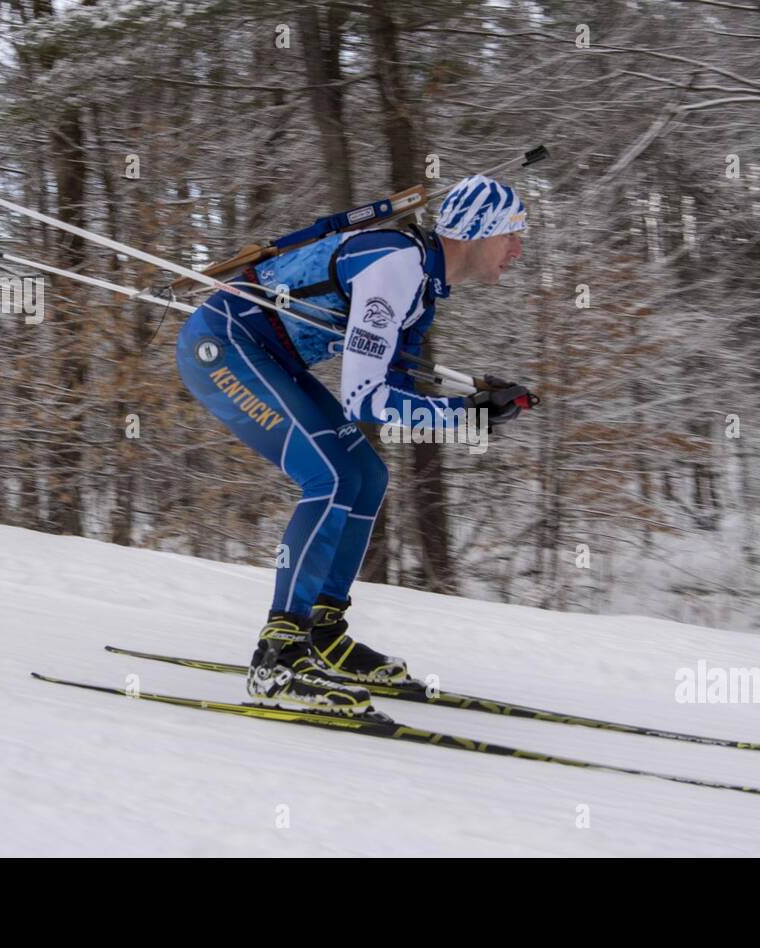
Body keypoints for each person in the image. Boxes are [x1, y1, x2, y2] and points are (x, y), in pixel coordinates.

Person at [175, 174, 531, 716]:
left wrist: (478, 406)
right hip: (222, 346)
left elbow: (396, 391)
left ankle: (321, 633)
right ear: (479, 230)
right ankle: (278, 655)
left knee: (366, 475)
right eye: (512, 233)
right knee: (332, 476)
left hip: (270, 358)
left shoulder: (421, 286)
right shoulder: (395, 268)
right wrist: (463, 418)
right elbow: (365, 398)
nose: (518, 249)